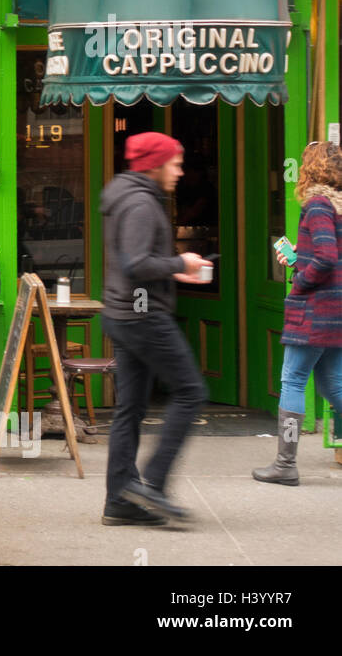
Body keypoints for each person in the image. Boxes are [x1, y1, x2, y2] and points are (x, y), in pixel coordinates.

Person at [99, 132, 212, 525]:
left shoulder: (125, 195)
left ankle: (120, 502)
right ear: (155, 163)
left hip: (128, 311)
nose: (180, 171)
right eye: (175, 163)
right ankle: (154, 487)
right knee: (191, 392)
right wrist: (183, 264)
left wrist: (175, 273)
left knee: (129, 409)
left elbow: (139, 264)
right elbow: (137, 264)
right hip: (142, 315)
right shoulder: (141, 203)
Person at [254, 141, 342, 485]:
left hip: (314, 310)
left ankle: (285, 465)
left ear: (312, 169)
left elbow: (325, 257)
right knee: (332, 383)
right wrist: (296, 255)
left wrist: (301, 278)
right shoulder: (336, 207)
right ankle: (284, 464)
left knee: (292, 380)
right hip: (334, 309)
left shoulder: (317, 205)